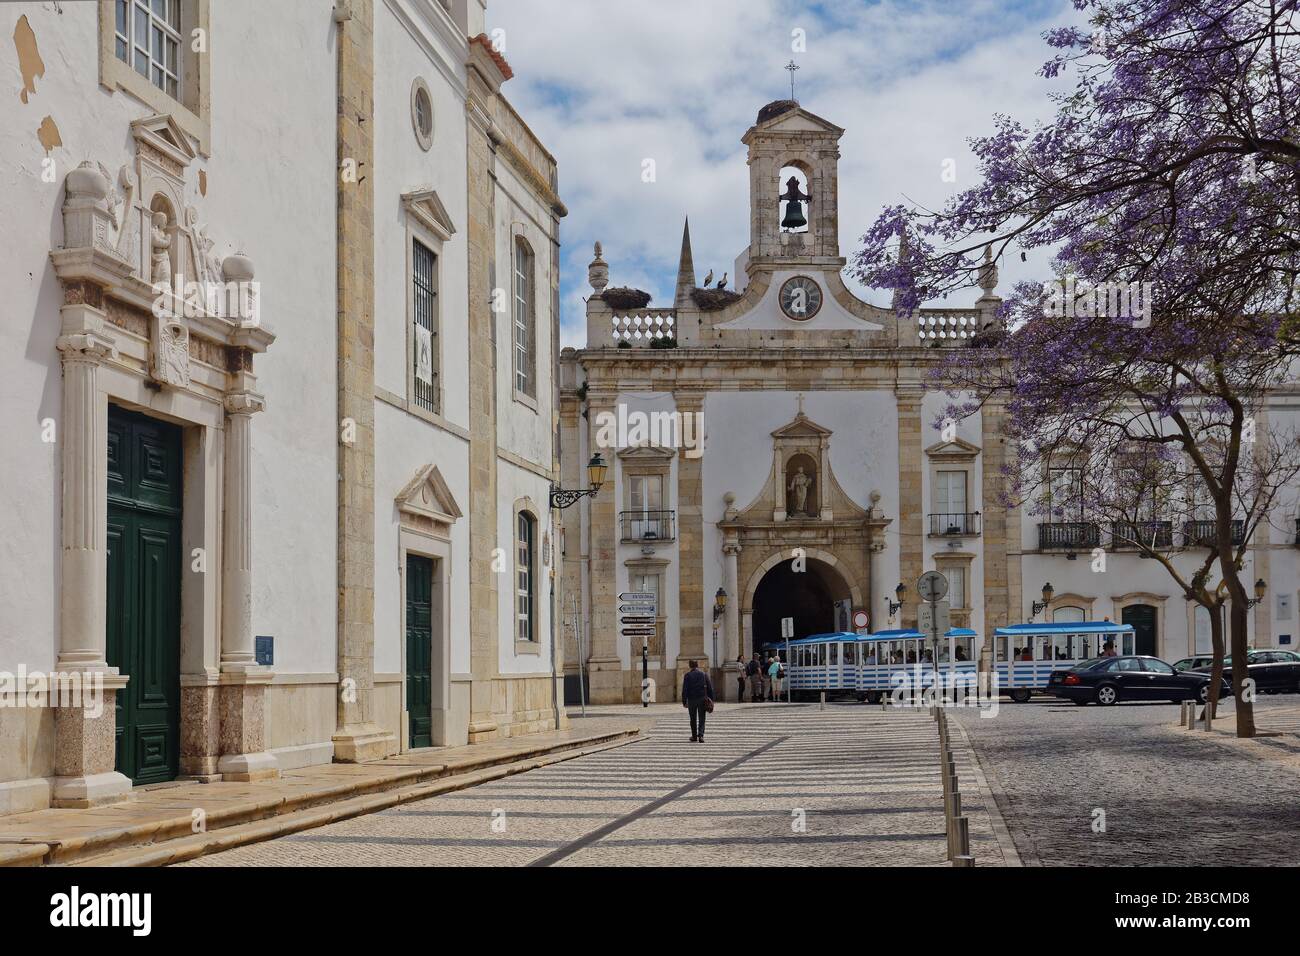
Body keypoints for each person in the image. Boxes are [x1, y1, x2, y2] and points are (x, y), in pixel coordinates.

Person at [681, 660, 714, 742]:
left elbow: (684, 690)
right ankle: (701, 736)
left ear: (690, 666)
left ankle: (694, 736)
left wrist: (684, 701)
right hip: (702, 699)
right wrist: (711, 699)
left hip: (691, 700)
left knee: (693, 718)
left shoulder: (687, 675)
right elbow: (709, 687)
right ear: (697, 665)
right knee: (702, 718)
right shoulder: (703, 674)